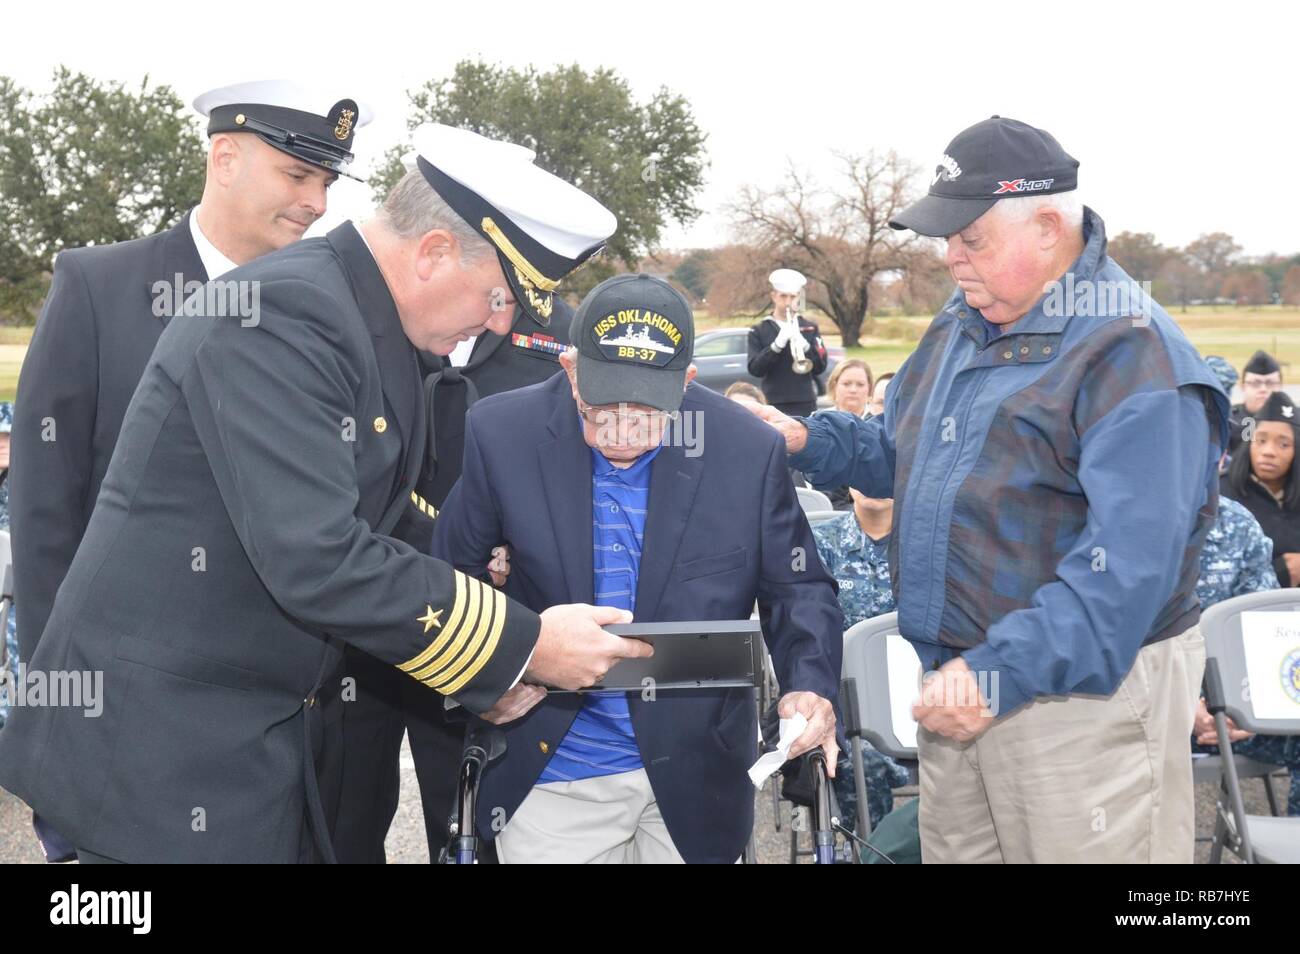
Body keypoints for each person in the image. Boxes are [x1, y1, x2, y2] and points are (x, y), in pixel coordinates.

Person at [0, 123, 650, 863]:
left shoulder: (367, 322)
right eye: (499, 298)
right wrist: (524, 645)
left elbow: (383, 517)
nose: (497, 323)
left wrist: (487, 618)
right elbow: (318, 554)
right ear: (434, 252)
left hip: (251, 738)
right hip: (158, 755)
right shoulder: (281, 312)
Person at [743, 116, 1227, 863]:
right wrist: (811, 440)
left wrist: (995, 675)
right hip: (963, 686)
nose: (951, 259)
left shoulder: (1134, 357)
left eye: (971, 240)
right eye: (947, 241)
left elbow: (1129, 570)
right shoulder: (965, 322)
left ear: (1046, 226)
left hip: (1076, 700)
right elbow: (905, 454)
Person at [7, 78, 372, 864]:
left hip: (277, 728)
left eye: (329, 183)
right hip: (117, 720)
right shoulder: (98, 287)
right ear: (226, 157)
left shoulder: (335, 312)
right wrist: (62, 706)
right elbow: (45, 517)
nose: (317, 202)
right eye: (298, 175)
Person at [430, 273, 843, 863]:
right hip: (555, 769)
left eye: (646, 412)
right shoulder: (502, 433)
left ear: (687, 385)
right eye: (600, 409)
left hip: (698, 771)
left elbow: (798, 587)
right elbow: (449, 577)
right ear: (571, 370)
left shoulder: (746, 449)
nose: (620, 431)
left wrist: (809, 687)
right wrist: (482, 680)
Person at [810, 486, 907, 831]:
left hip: (914, 696)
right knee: (861, 761)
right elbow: (809, 633)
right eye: (865, 476)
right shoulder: (821, 543)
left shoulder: (924, 545)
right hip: (847, 701)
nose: (875, 486)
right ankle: (870, 851)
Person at [1220, 391, 1300, 588]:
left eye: (1283, 444)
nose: (1268, 452)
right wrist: (1281, 572)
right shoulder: (1222, 494)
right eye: (1261, 440)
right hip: (1245, 612)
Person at [747, 268, 827, 416]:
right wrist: (776, 345)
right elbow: (755, 369)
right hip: (773, 400)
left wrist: (805, 346)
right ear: (774, 296)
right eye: (783, 296)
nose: (788, 302)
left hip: (805, 400)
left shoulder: (810, 327)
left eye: (793, 297)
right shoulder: (759, 330)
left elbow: (820, 367)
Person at [814, 359, 875, 509]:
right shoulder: (816, 423)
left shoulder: (878, 427)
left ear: (869, 389)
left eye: (860, 384)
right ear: (834, 386)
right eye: (847, 384)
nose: (853, 390)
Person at [1228, 350, 1284, 455]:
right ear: (1243, 386)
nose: (1263, 389)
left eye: (1270, 383)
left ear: (1280, 386)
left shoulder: (1295, 422)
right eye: (1255, 383)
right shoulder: (1229, 421)